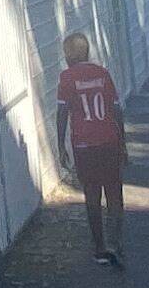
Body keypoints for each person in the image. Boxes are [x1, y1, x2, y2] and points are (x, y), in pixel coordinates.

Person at [53, 32, 127, 267]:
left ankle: (99, 247)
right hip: (109, 140)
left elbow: (62, 113)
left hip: (84, 145)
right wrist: (122, 141)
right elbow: (116, 109)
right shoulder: (102, 74)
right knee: (114, 192)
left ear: (69, 55)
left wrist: (60, 144)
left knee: (92, 195)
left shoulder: (66, 78)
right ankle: (116, 242)